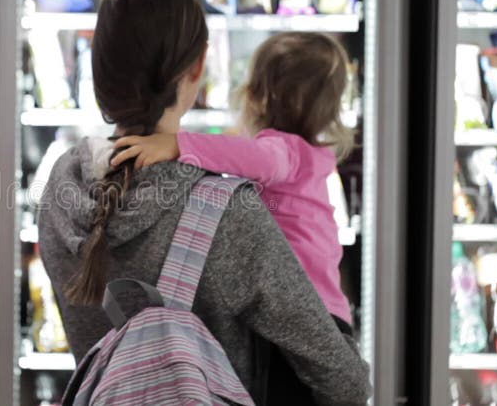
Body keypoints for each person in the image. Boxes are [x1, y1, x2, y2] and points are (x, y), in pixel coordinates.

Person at [37, 0, 371, 405]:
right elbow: (344, 383)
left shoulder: (61, 189)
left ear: (99, 71)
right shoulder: (227, 215)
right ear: (197, 68)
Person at [111, 32, 356, 331]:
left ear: (257, 95)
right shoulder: (310, 155)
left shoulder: (283, 153)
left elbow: (256, 157)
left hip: (302, 311)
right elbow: (245, 151)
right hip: (328, 308)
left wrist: (177, 144)